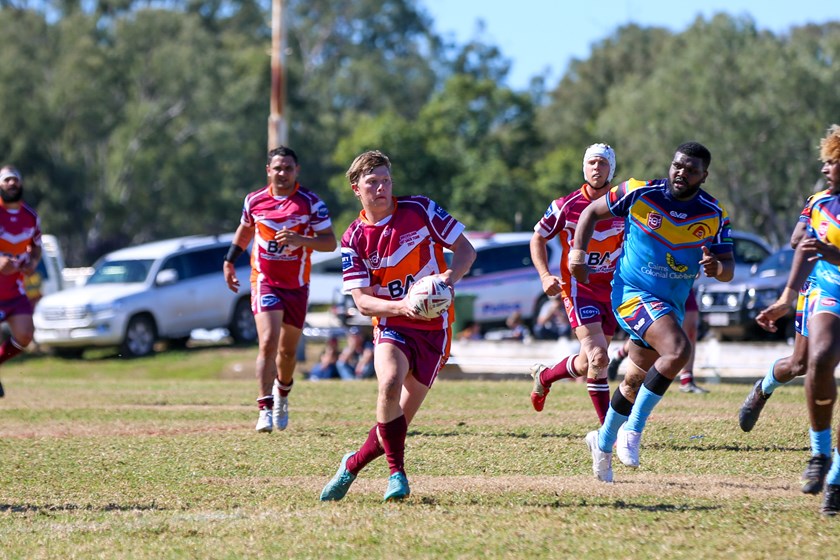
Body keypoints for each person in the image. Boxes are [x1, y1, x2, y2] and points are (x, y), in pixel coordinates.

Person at [571, 142, 734, 483]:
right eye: (678, 165)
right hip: (632, 294)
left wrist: (716, 266)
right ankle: (633, 430)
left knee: (633, 380)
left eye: (691, 170)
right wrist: (578, 254)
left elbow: (728, 268)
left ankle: (601, 442)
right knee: (678, 350)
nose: (681, 173)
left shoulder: (714, 213)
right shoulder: (639, 192)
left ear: (703, 176)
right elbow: (590, 213)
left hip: (668, 304)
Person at [320, 150, 476, 502]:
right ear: (356, 189)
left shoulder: (419, 210)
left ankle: (351, 465)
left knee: (396, 422)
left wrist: (450, 277)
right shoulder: (353, 239)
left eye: (386, 180)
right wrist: (402, 306)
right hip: (392, 324)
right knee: (388, 384)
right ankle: (397, 476)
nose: (381, 188)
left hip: (436, 329)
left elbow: (466, 249)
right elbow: (362, 301)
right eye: (372, 182)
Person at [754, 125, 840, 515]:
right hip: (828, 290)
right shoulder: (821, 202)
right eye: (826, 160)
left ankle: (835, 482)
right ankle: (820, 453)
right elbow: (799, 244)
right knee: (810, 362)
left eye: (833, 162)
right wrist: (787, 297)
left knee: (809, 363)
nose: (825, 168)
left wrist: (827, 247)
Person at [223, 146, 336, 433]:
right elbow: (246, 230)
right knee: (268, 342)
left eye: (288, 168)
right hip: (265, 279)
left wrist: (301, 239)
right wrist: (229, 261)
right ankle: (264, 408)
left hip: (296, 284)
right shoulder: (255, 200)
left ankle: (282, 395)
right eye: (278, 168)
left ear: (296, 171)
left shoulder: (311, 203)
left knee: (287, 353)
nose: (282, 173)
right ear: (268, 170)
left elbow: (329, 242)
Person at [529, 144, 623, 425]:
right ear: (584, 168)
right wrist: (545, 276)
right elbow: (537, 238)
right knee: (598, 356)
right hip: (579, 290)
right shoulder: (565, 206)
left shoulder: (624, 203)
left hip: (614, 292)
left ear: (611, 169)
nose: (597, 168)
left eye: (603, 163)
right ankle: (609, 432)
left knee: (589, 363)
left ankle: (544, 376)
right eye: (592, 163)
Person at [738, 184, 835, 434]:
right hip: (820, 285)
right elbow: (796, 239)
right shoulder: (820, 201)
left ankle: (826, 459)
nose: (827, 169)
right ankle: (763, 388)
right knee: (799, 364)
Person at [607, 289, 709, 393]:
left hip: (682, 284)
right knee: (659, 333)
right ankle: (621, 353)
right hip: (660, 284)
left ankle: (687, 379)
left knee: (690, 328)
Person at [0, 166, 43, 398]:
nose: (11, 184)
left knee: (25, 335)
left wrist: (33, 263)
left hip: (14, 292)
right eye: (6, 180)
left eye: (15, 180)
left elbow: (36, 248)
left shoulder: (31, 217)